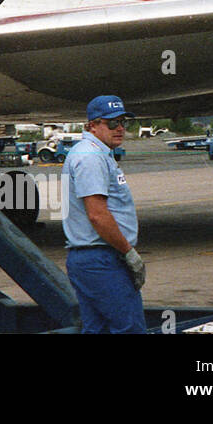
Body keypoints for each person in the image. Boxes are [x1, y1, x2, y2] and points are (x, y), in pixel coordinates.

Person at [63, 94, 146, 334]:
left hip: (94, 258)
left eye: (123, 122)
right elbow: (97, 215)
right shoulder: (90, 157)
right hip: (101, 259)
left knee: (97, 330)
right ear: (92, 125)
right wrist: (128, 252)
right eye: (111, 123)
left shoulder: (96, 153)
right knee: (129, 329)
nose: (119, 128)